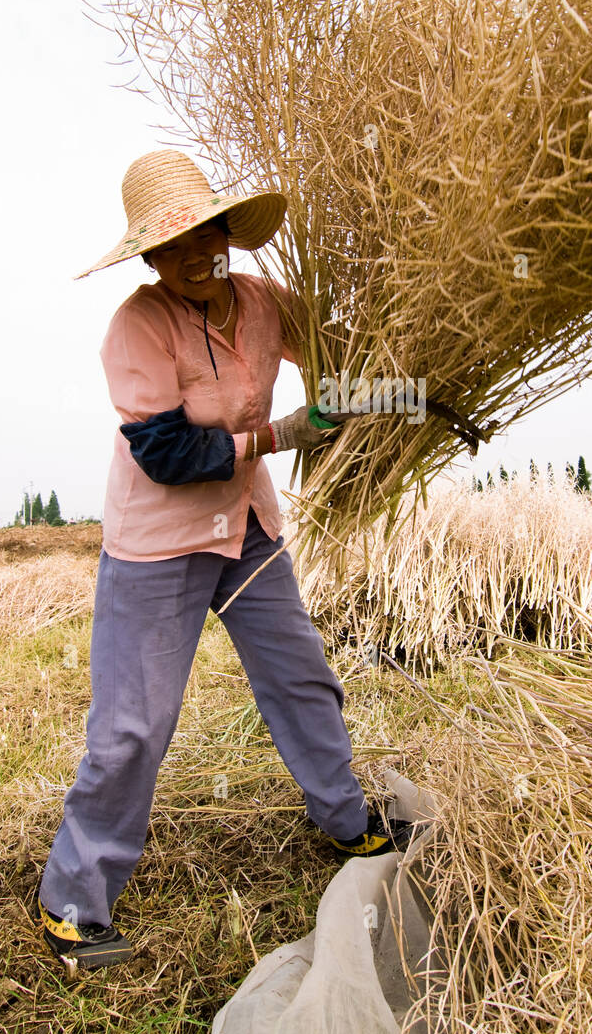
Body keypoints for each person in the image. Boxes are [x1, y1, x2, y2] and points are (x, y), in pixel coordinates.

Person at [35, 149, 411, 970]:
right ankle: (72, 900)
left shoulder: (265, 302)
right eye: (172, 246)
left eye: (205, 232)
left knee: (302, 677)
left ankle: (350, 824)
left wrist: (403, 378)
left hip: (247, 532)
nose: (195, 253)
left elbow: (344, 358)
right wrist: (281, 435)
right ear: (150, 259)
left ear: (225, 231)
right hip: (157, 549)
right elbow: (165, 453)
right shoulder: (138, 325)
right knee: (133, 727)